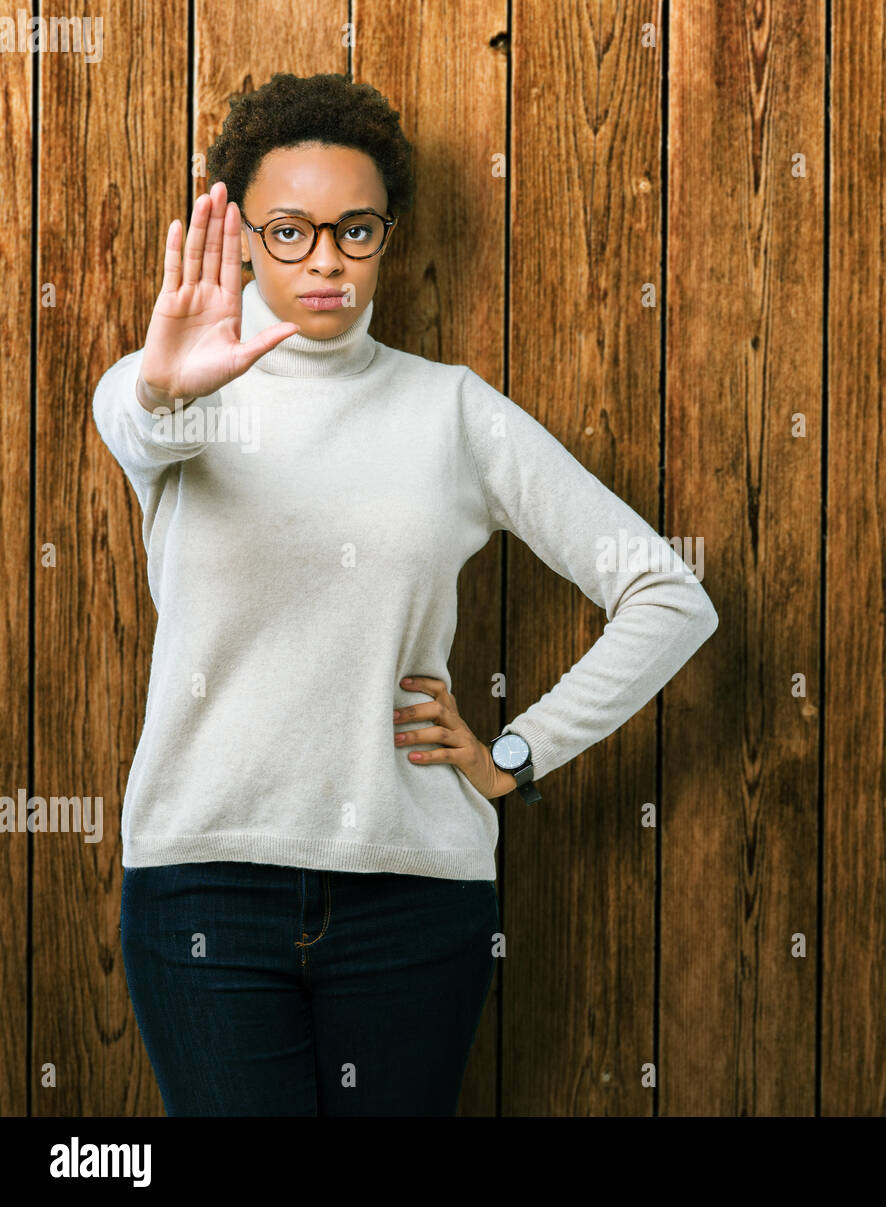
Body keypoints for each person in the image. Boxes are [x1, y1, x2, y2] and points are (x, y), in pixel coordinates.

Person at [93, 72, 718, 1117]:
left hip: (414, 892)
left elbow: (668, 594)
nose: (325, 259)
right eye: (288, 231)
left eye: (355, 228)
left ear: (390, 233)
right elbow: (139, 420)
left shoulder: (452, 412)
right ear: (240, 234)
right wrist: (168, 382)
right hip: (203, 883)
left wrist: (514, 754)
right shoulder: (167, 394)